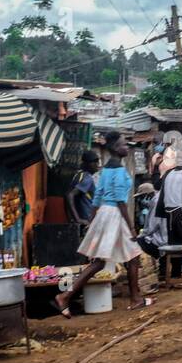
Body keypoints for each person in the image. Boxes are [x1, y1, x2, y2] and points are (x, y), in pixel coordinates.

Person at [55, 130, 151, 315]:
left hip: (104, 215)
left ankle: (65, 296)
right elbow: (120, 201)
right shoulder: (118, 170)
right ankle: (135, 299)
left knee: (100, 262)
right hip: (115, 215)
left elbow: (98, 197)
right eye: (124, 144)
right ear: (115, 148)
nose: (126, 147)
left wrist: (93, 219)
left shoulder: (106, 169)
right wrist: (131, 227)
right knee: (132, 257)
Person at [66, 150, 99, 233]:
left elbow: (67, 195)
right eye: (93, 162)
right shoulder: (87, 178)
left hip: (79, 225)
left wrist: (72, 218)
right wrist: (77, 219)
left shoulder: (77, 175)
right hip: (85, 224)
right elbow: (69, 195)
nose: (97, 165)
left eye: (97, 162)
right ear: (86, 164)